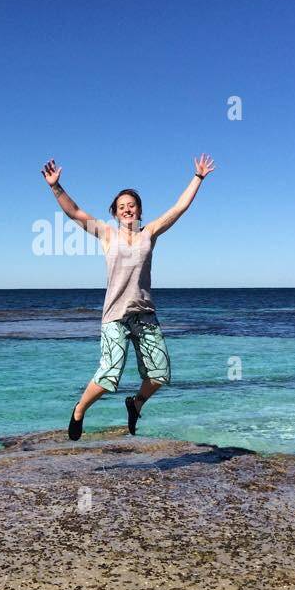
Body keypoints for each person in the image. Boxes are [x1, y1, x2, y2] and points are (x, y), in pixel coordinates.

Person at [40, 154, 216, 440]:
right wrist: (56, 187)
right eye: (121, 207)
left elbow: (179, 208)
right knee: (109, 376)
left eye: (131, 205)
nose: (127, 210)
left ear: (139, 210)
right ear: (115, 212)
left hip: (145, 314)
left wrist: (197, 178)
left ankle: (135, 404)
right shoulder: (107, 235)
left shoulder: (150, 233)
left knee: (159, 373)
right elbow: (75, 212)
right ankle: (80, 409)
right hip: (115, 316)